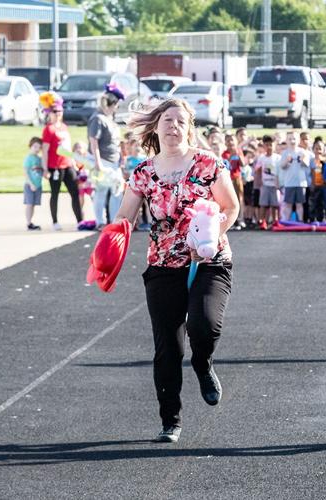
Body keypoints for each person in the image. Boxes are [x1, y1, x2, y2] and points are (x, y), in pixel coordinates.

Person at [116, 99, 238, 444]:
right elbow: (125, 217)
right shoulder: (142, 172)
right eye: (167, 120)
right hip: (163, 263)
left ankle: (204, 363)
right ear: (156, 126)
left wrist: (211, 236)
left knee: (204, 324)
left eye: (180, 121)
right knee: (168, 347)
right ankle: (170, 419)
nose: (173, 126)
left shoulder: (208, 164)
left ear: (189, 127)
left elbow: (231, 206)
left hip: (208, 261)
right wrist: (110, 246)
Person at [40, 93, 82, 231]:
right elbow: (45, 150)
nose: (58, 113)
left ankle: (80, 221)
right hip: (55, 167)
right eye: (55, 111)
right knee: (55, 193)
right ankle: (55, 221)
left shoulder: (64, 127)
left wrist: (74, 162)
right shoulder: (48, 129)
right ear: (50, 113)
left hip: (67, 164)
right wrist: (45, 169)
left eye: (60, 111)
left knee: (75, 192)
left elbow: (67, 148)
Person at [88, 85, 125, 227]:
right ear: (112, 103)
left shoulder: (109, 118)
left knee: (117, 191)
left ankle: (114, 222)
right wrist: (98, 164)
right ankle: (100, 222)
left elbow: (115, 142)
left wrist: (120, 158)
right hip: (103, 160)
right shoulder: (98, 119)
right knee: (101, 191)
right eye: (116, 104)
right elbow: (93, 141)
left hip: (114, 161)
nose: (117, 108)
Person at [276, 131, 311, 222]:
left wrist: (303, 160)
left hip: (301, 182)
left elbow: (307, 165)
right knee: (288, 204)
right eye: (290, 139)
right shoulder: (285, 153)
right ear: (286, 140)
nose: (292, 141)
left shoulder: (302, 151)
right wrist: (287, 161)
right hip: (289, 183)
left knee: (299, 204)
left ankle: (300, 221)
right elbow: (282, 166)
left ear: (298, 140)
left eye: (294, 138)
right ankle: (287, 221)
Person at [255, 135, 280, 229]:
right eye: (266, 145)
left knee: (275, 204)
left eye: (271, 145)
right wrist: (259, 181)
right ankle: (262, 221)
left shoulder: (278, 158)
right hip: (265, 184)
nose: (269, 147)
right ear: (264, 146)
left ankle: (275, 221)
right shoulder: (261, 158)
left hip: (275, 184)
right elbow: (257, 170)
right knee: (263, 204)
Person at [23, 137, 44, 230]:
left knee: (34, 205)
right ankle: (28, 222)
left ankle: (31, 221)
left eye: (39, 147)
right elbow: (26, 172)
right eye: (35, 147)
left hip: (38, 185)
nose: (37, 149)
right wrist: (31, 184)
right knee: (29, 204)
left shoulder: (39, 159)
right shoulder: (29, 158)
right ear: (30, 146)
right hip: (30, 185)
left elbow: (41, 171)